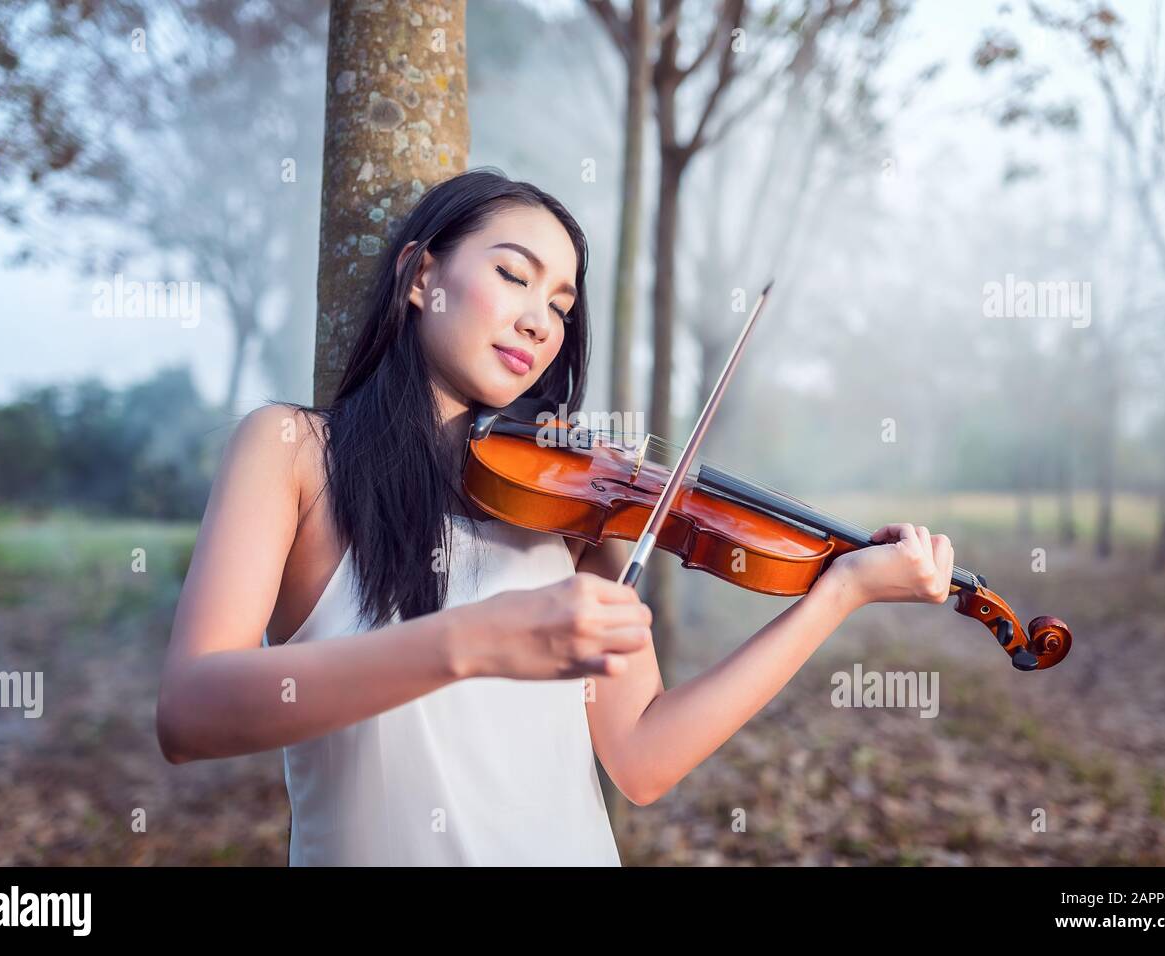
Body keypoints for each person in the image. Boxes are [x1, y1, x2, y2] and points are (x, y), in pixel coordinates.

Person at [155, 167, 955, 865]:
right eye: (513, 275)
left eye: (562, 304)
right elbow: (189, 713)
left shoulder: (569, 511)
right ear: (418, 276)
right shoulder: (294, 451)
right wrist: (474, 641)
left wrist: (839, 595)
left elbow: (643, 759)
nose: (542, 321)